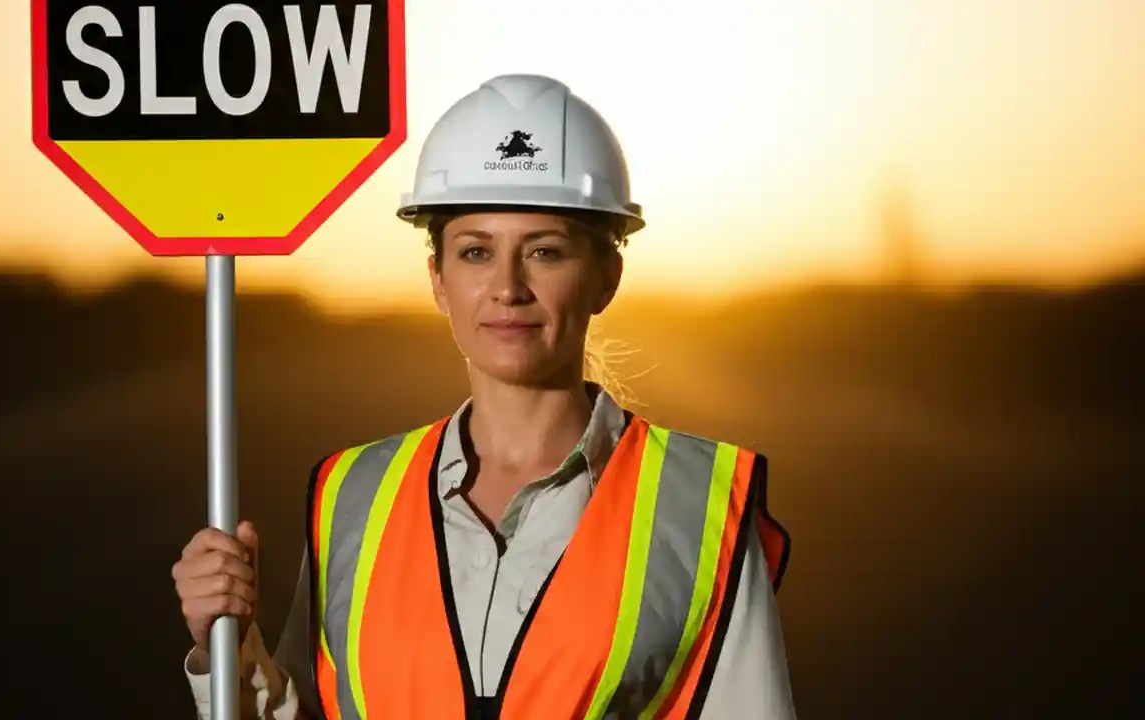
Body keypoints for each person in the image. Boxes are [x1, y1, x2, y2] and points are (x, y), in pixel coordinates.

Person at [172, 74, 795, 719]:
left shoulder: (699, 506)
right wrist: (230, 652)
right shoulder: (352, 496)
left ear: (606, 277)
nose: (507, 287)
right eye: (475, 252)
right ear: (438, 279)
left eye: (545, 252)